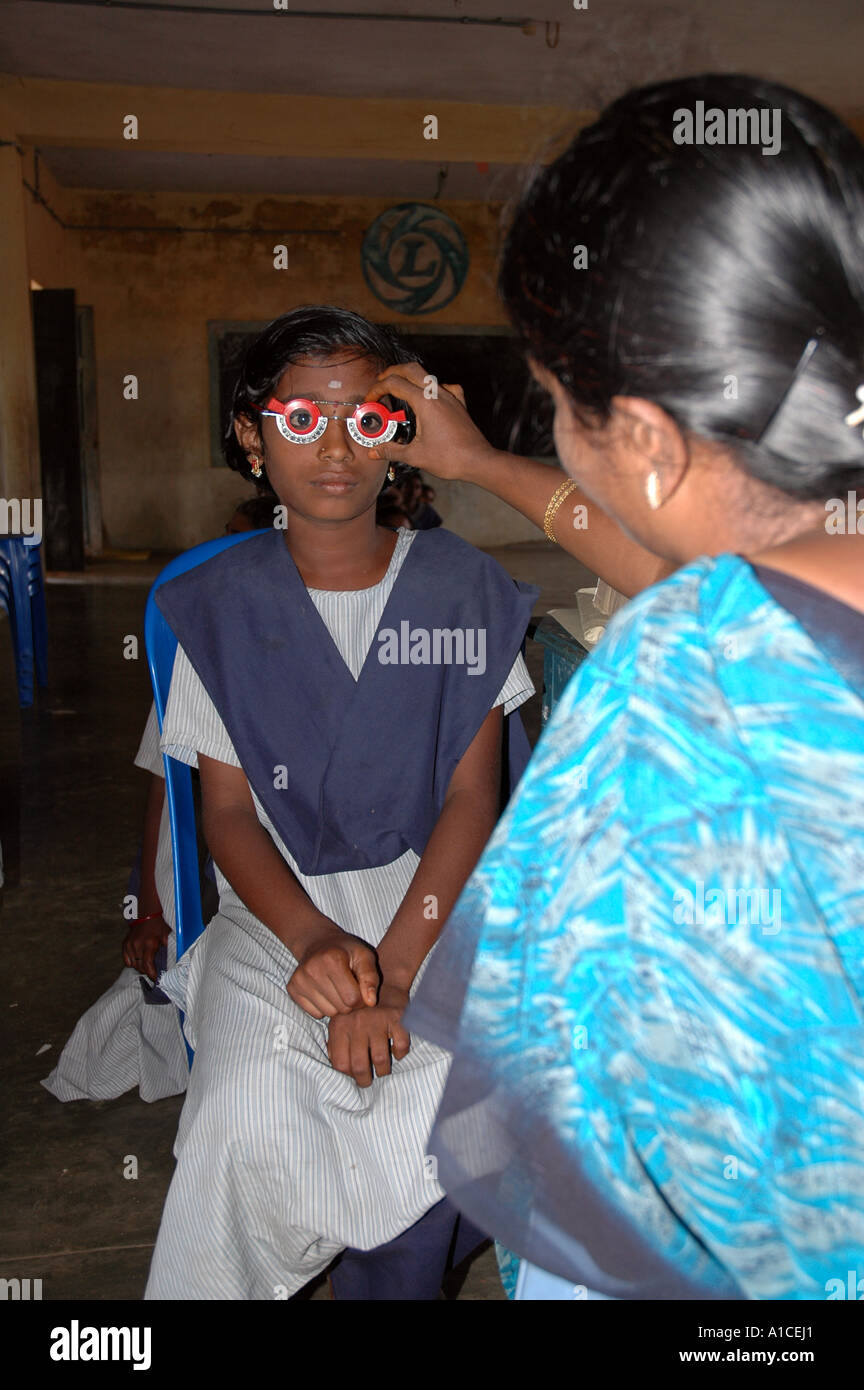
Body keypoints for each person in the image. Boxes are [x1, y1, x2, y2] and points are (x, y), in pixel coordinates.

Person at [389, 74, 864, 1300]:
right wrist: (487, 460)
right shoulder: (770, 593)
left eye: (552, 405)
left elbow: (591, 1153)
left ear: (647, 440)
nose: (555, 435)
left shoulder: (673, 692)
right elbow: (719, 562)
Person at [143, 306, 537, 1300]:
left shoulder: (461, 592)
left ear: (396, 434)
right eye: (299, 418)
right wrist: (318, 944)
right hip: (277, 915)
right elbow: (227, 815)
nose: (332, 450)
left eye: (363, 420)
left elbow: (469, 802)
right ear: (251, 433)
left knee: (460, 1094)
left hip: (431, 907)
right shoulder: (219, 606)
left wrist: (395, 973)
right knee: (245, 1107)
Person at [41, 703, 189, 1103]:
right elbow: (164, 790)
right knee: (163, 969)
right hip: (194, 862)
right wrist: (149, 911)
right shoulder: (187, 662)